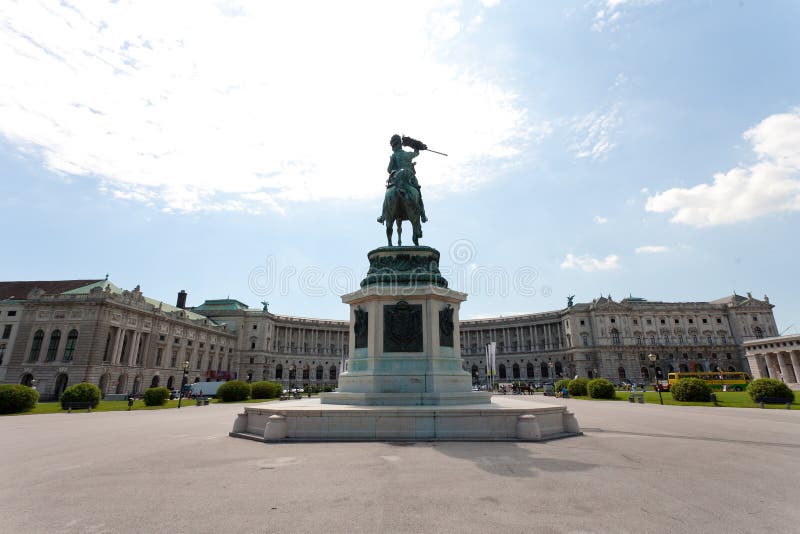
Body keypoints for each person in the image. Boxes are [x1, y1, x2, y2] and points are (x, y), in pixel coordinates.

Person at [378, 134, 428, 223]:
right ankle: (423, 215)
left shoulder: (394, 155)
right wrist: (417, 145)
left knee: (387, 196)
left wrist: (394, 171)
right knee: (419, 194)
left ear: (394, 146)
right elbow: (416, 153)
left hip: (398, 177)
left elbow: (389, 169)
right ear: (400, 145)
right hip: (410, 177)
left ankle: (382, 216)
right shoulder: (408, 154)